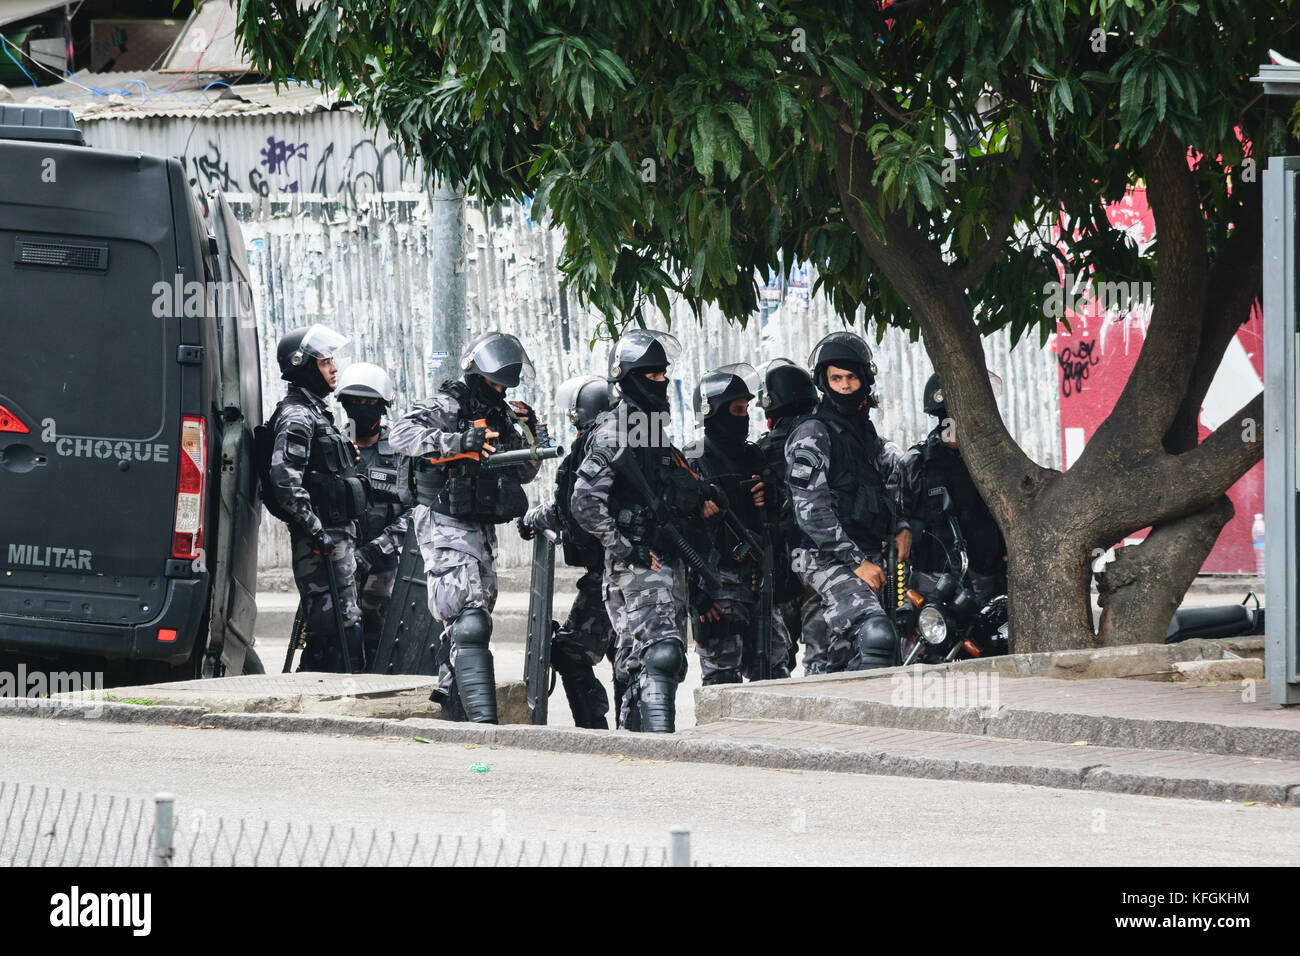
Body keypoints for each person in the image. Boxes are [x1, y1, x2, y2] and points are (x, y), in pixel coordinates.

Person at [387, 332, 544, 723]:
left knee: (474, 621)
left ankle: (453, 705)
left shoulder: (501, 415)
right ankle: (483, 726)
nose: (500, 390)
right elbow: (399, 434)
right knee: (468, 618)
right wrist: (455, 441)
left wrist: (530, 431)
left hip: (480, 525)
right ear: (477, 374)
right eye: (494, 382)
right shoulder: (446, 404)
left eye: (505, 385)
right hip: (443, 517)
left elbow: (524, 471)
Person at [570, 329, 720, 732]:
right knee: (661, 653)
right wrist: (624, 547)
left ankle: (636, 742)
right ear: (628, 379)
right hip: (637, 563)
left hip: (665, 557)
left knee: (648, 661)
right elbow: (584, 502)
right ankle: (658, 743)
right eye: (651, 376)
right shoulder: (615, 430)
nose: (661, 382)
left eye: (663, 375)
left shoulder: (651, 429)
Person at [784, 331, 909, 671]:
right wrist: (856, 562)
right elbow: (810, 511)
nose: (843, 385)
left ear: (864, 379)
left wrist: (902, 527)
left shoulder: (864, 435)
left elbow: (886, 491)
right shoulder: (814, 433)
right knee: (876, 633)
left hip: (868, 550)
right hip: (822, 555)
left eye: (850, 377)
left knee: (846, 656)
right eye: (835, 378)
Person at [517, 374, 620, 728]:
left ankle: (596, 731)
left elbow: (570, 506)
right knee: (628, 658)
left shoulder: (595, 445)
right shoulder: (625, 439)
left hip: (612, 573)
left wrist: (531, 517)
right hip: (624, 570)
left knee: (570, 650)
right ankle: (630, 731)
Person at [265, 324, 365, 672]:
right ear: (304, 366)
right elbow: (285, 481)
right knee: (333, 627)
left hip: (337, 535)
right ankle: (319, 701)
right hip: (320, 542)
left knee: (341, 624)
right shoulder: (297, 416)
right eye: (325, 362)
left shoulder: (316, 413)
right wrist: (317, 531)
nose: (334, 368)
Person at [687, 363, 792, 682]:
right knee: (722, 681)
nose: (744, 417)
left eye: (746, 409)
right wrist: (696, 595)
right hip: (717, 586)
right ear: (714, 412)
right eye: (736, 410)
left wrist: (770, 496)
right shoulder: (694, 457)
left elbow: (781, 513)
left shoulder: (753, 455)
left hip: (760, 578)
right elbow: (681, 529)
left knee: (775, 673)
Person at [897, 372, 1008, 606]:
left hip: (987, 579)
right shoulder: (917, 463)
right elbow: (898, 520)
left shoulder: (995, 462)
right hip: (934, 582)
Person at [336, 362, 413, 666]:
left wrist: (376, 547)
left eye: (370, 403)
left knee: (381, 639)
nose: (362, 409)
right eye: (355, 403)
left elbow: (416, 509)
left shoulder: (401, 449)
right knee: (339, 640)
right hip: (339, 560)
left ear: (383, 407)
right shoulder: (333, 445)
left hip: (384, 564)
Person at [756, 358, 829, 675]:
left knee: (776, 664)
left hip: (777, 566)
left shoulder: (758, 451)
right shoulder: (824, 439)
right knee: (821, 659)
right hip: (817, 560)